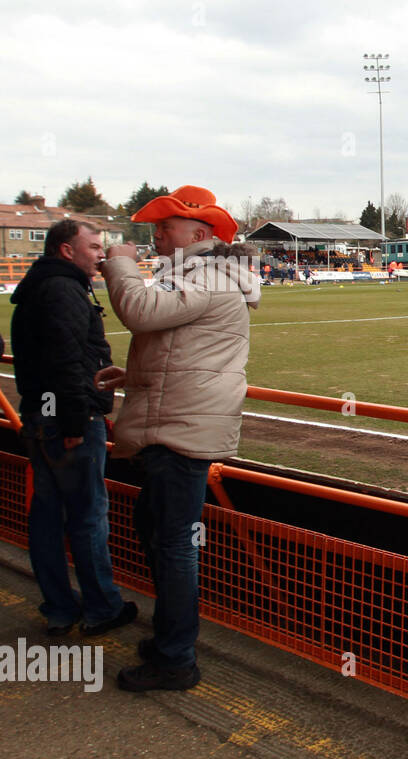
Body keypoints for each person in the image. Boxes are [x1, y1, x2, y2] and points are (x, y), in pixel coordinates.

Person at [98, 185, 260, 692]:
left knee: (173, 545)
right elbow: (179, 349)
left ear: (198, 233)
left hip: (182, 431)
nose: (155, 236)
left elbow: (141, 313)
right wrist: (131, 375)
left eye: (164, 227)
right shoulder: (200, 274)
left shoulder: (209, 276)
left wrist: (119, 263)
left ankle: (175, 658)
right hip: (175, 424)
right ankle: (171, 641)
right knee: (161, 535)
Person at [9, 220, 136, 637]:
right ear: (67, 251)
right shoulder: (63, 290)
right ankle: (101, 608)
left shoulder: (41, 285)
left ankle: (60, 608)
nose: (101, 254)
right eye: (95, 246)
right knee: (87, 516)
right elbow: (66, 361)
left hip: (39, 416)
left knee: (47, 515)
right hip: (67, 421)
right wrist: (76, 422)